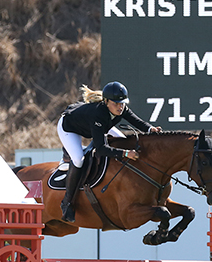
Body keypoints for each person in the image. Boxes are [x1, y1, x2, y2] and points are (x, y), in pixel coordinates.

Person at [56, 81, 162, 222]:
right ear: (106, 102)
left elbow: (137, 122)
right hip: (69, 128)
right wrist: (125, 153)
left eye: (123, 103)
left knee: (123, 139)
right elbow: (100, 149)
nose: (120, 107)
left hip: (94, 124)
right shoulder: (98, 114)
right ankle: (67, 203)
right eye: (116, 103)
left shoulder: (120, 108)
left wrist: (151, 129)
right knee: (78, 160)